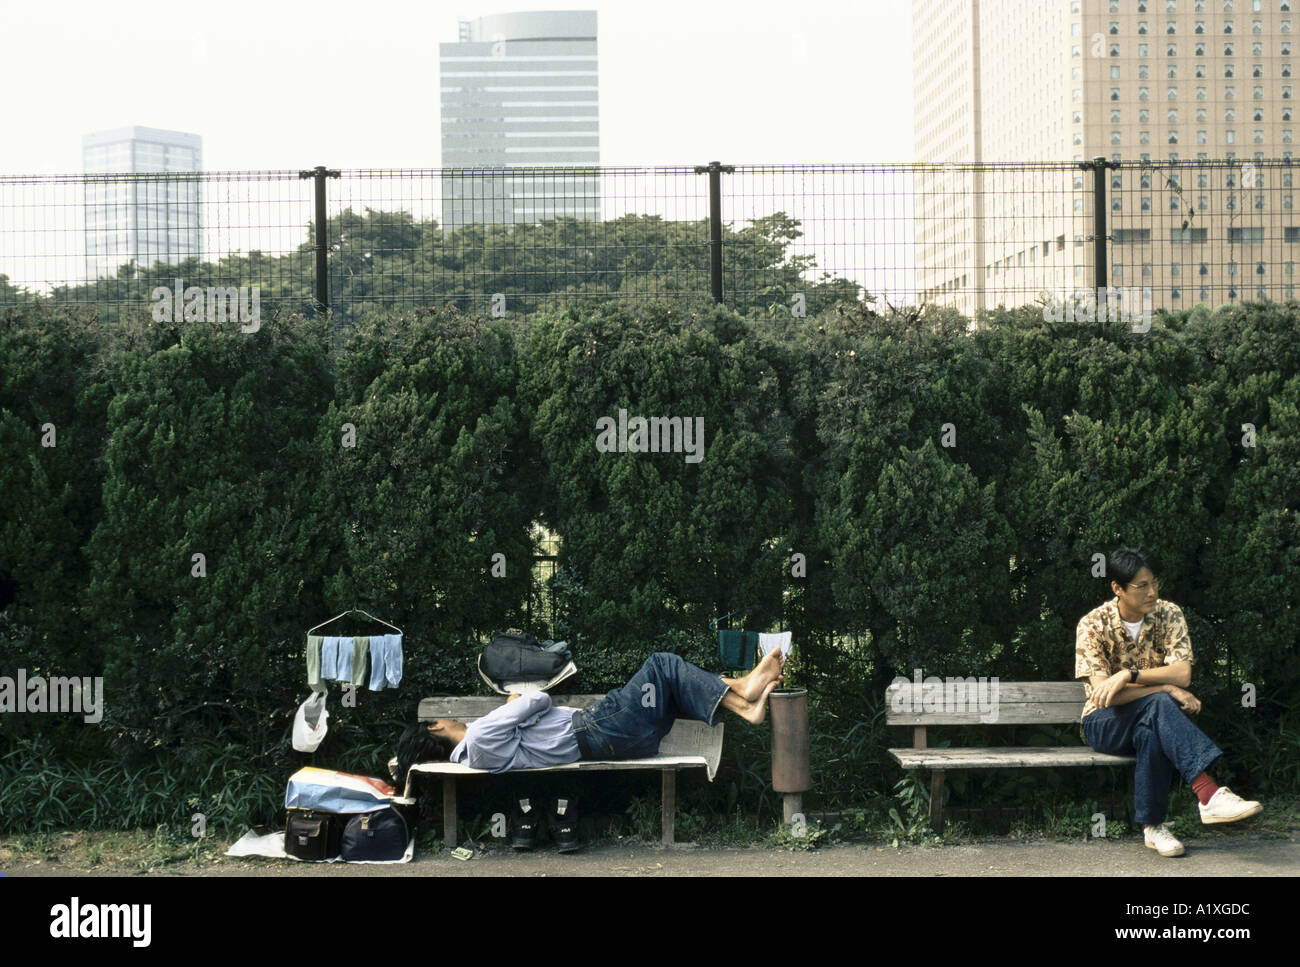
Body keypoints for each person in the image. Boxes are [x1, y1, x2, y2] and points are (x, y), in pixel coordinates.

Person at [1075, 546, 1262, 857]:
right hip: (1104, 722)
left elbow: (1183, 674)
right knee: (1161, 703)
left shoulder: (1169, 613)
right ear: (1117, 589)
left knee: (1151, 728)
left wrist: (1128, 675)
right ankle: (1208, 794)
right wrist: (1165, 688)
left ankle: (1153, 828)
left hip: (1149, 720)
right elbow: (1105, 695)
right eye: (1142, 586)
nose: (1152, 592)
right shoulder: (1093, 624)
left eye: (1155, 582)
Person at [395, 648, 785, 784]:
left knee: (671, 686)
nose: (450, 717)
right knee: (661, 664)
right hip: (601, 725)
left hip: (619, 744)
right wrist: (515, 700)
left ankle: (746, 700)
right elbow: (539, 703)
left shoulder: (477, 755)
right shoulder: (477, 738)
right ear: (435, 727)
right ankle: (745, 693)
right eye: (443, 718)